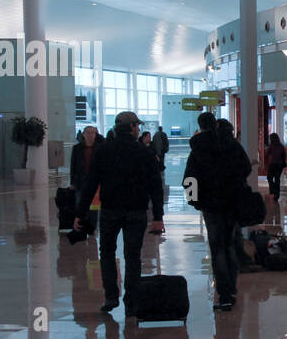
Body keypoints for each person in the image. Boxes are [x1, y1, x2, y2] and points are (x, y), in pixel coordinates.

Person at [74, 112, 165, 314]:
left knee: (106, 253)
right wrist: (158, 217)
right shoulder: (143, 152)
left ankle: (111, 297)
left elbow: (90, 185)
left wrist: (80, 213)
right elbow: (155, 187)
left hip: (110, 211)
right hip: (136, 211)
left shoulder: (103, 151)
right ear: (132, 127)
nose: (139, 130)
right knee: (133, 256)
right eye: (137, 126)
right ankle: (131, 301)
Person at [183, 111, 250, 312]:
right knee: (230, 243)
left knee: (217, 247)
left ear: (200, 126)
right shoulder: (231, 145)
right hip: (231, 202)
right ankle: (232, 287)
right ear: (217, 126)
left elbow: (189, 178)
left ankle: (225, 294)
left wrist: (195, 200)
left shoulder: (197, 149)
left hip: (210, 205)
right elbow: (245, 168)